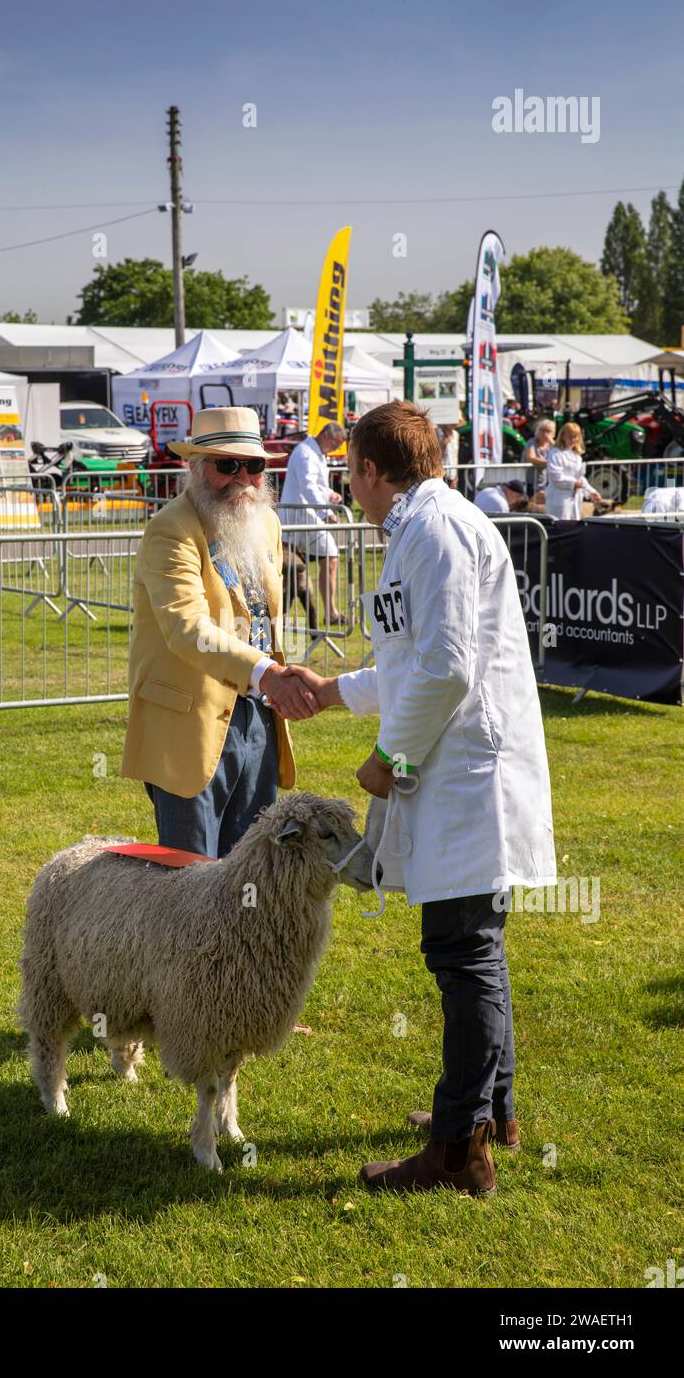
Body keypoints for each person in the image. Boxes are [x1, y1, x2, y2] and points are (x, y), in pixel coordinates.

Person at [284, 400, 557, 1195]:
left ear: (373, 469)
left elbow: (444, 671)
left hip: (467, 776)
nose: (348, 488)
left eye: (350, 473)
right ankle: (489, 1110)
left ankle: (457, 1150)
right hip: (457, 770)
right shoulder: (422, 527)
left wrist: (386, 758)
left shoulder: (435, 531)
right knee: (477, 951)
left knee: (462, 953)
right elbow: (409, 665)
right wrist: (329, 691)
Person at [120, 406, 319, 858]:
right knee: (192, 881)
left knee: (252, 870)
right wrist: (266, 673)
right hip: (190, 723)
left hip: (258, 717)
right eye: (226, 465)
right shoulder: (170, 529)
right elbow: (187, 628)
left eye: (252, 466)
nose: (241, 478)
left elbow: (259, 614)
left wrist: (270, 678)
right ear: (195, 467)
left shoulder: (265, 521)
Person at [278, 421, 347, 627]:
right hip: (300, 517)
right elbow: (307, 486)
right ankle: (329, 613)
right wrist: (325, 512)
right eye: (335, 444)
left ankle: (323, 615)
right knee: (330, 556)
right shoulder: (306, 453)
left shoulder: (313, 453)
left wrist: (329, 494)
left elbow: (313, 486)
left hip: (303, 516)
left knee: (299, 573)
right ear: (326, 435)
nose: (335, 449)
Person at [545, 422, 602, 520]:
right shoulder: (555, 453)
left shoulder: (576, 456)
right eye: (570, 437)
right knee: (560, 527)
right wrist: (574, 483)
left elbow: (580, 478)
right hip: (559, 499)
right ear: (563, 436)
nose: (573, 440)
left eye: (576, 437)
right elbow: (556, 476)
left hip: (574, 500)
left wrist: (591, 492)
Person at [437, 424, 460, 488]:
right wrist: (443, 444)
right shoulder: (436, 432)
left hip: (451, 474)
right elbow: (435, 455)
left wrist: (456, 476)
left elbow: (456, 456)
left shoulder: (456, 434)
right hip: (439, 474)